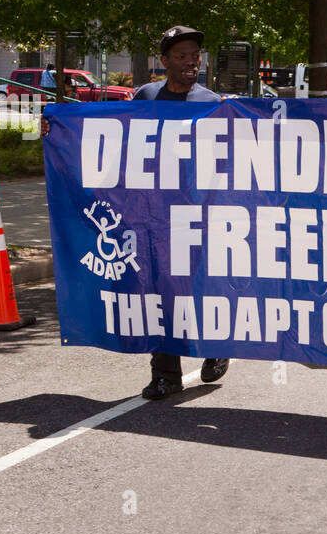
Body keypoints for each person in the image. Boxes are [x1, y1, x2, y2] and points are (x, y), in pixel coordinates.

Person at [42, 24, 231, 400]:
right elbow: (114, 138)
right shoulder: (145, 96)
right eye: (181, 56)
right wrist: (57, 130)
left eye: (195, 55)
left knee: (197, 288)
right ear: (164, 62)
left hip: (194, 214)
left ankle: (216, 345)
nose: (190, 61)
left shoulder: (211, 102)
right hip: (151, 215)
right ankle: (166, 375)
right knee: (160, 290)